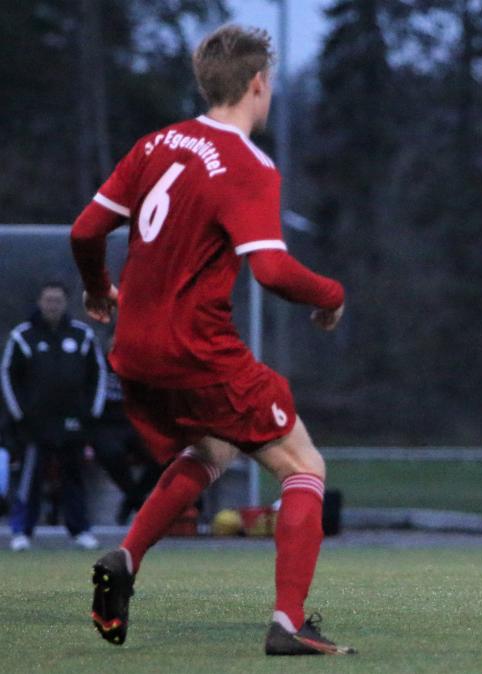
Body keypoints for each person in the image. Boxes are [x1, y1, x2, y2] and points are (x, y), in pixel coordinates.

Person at [69, 25, 354, 655]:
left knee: (215, 448)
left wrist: (97, 289)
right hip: (195, 349)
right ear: (258, 84)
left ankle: (125, 558)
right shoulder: (248, 163)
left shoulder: (155, 145)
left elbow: (86, 231)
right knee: (304, 466)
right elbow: (274, 271)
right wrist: (331, 295)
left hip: (134, 352)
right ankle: (288, 623)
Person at [2, 282, 105, 552]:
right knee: (30, 476)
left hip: (74, 421)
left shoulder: (82, 335)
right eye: (48, 300)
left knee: (73, 475)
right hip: (35, 424)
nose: (52, 305)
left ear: (65, 303)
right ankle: (22, 531)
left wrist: (90, 413)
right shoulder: (23, 336)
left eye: (57, 300)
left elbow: (98, 375)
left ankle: (80, 530)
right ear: (39, 301)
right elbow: (8, 376)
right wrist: (20, 415)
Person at [91, 345, 163, 525]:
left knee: (162, 455)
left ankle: (131, 502)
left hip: (134, 423)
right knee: (111, 453)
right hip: (104, 425)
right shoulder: (95, 364)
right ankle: (138, 502)